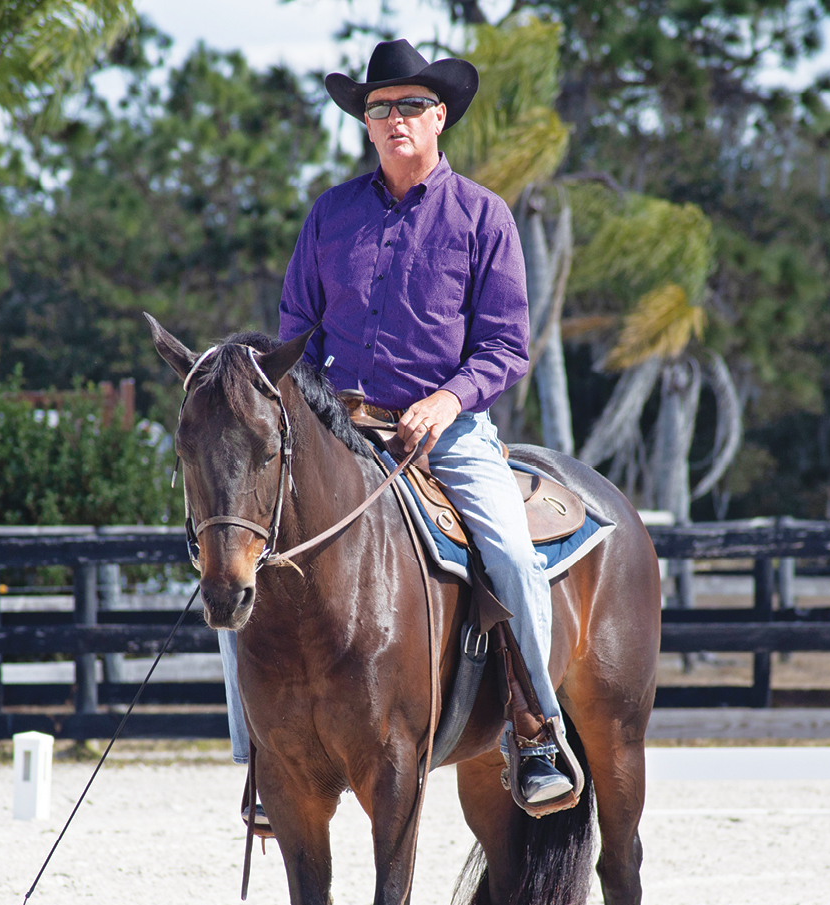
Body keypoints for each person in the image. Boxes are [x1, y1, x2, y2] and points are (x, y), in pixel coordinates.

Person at [220, 38, 572, 809]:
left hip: (449, 433)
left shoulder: (483, 215)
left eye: (411, 105)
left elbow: (507, 345)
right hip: (337, 426)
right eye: (379, 108)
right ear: (367, 125)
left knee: (511, 556)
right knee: (238, 553)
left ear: (440, 116)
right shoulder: (330, 215)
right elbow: (294, 331)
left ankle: (536, 729)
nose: (394, 119)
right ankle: (262, 757)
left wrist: (448, 400)